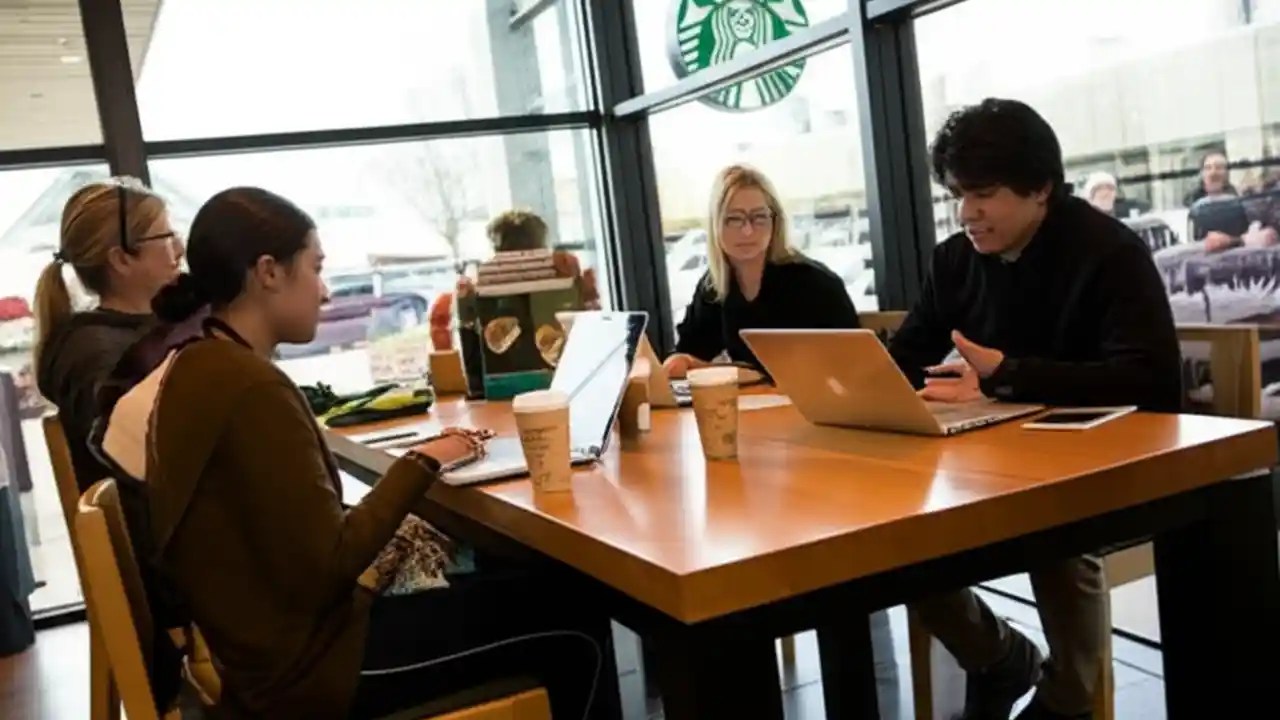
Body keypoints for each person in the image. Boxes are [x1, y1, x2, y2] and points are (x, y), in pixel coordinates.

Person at [98, 188, 607, 720]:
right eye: (315, 269)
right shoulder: (250, 387)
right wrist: (423, 463)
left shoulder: (197, 365)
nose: (323, 292)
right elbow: (334, 563)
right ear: (268, 272)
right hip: (316, 671)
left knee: (520, 586)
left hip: (268, 656)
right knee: (572, 614)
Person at [890, 98, 1181, 720]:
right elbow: (906, 358)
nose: (966, 212)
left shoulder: (1107, 250)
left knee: (1057, 531)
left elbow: (1152, 381)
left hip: (1106, 462)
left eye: (984, 194)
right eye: (956, 195)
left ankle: (1067, 696)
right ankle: (998, 657)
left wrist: (1006, 377)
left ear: (1040, 188)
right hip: (996, 465)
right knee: (888, 534)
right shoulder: (955, 260)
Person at [33, 177, 184, 491]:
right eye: (167, 237)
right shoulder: (94, 353)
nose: (180, 249)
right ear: (122, 259)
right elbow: (144, 453)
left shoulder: (157, 328)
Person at [663, 164, 861, 379]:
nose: (747, 231)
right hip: (755, 408)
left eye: (758, 217)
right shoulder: (714, 286)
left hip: (816, 407)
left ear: (775, 223)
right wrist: (680, 361)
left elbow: (854, 367)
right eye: (734, 219)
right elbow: (690, 350)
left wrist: (736, 373)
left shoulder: (815, 284)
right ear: (715, 225)